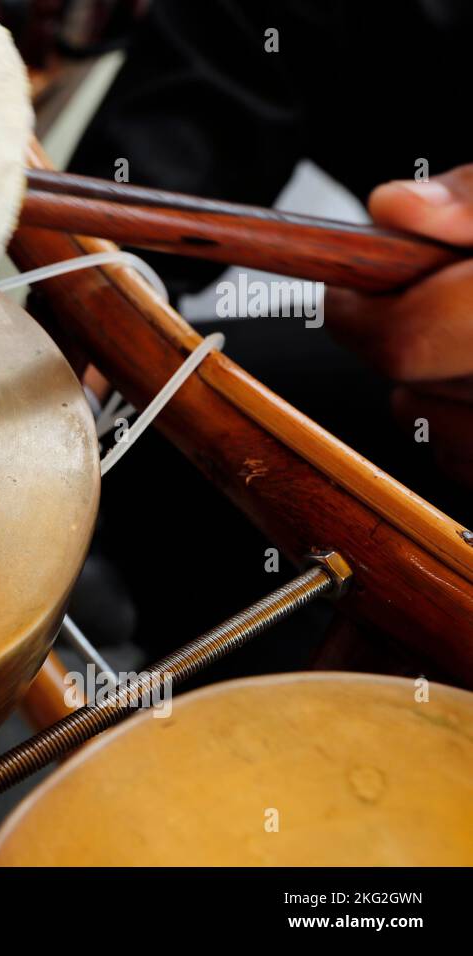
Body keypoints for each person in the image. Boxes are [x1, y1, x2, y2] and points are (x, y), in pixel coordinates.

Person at [59, 0, 471, 671]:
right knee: (176, 410)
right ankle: (154, 671)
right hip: (427, 374)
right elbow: (253, 41)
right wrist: (97, 288)